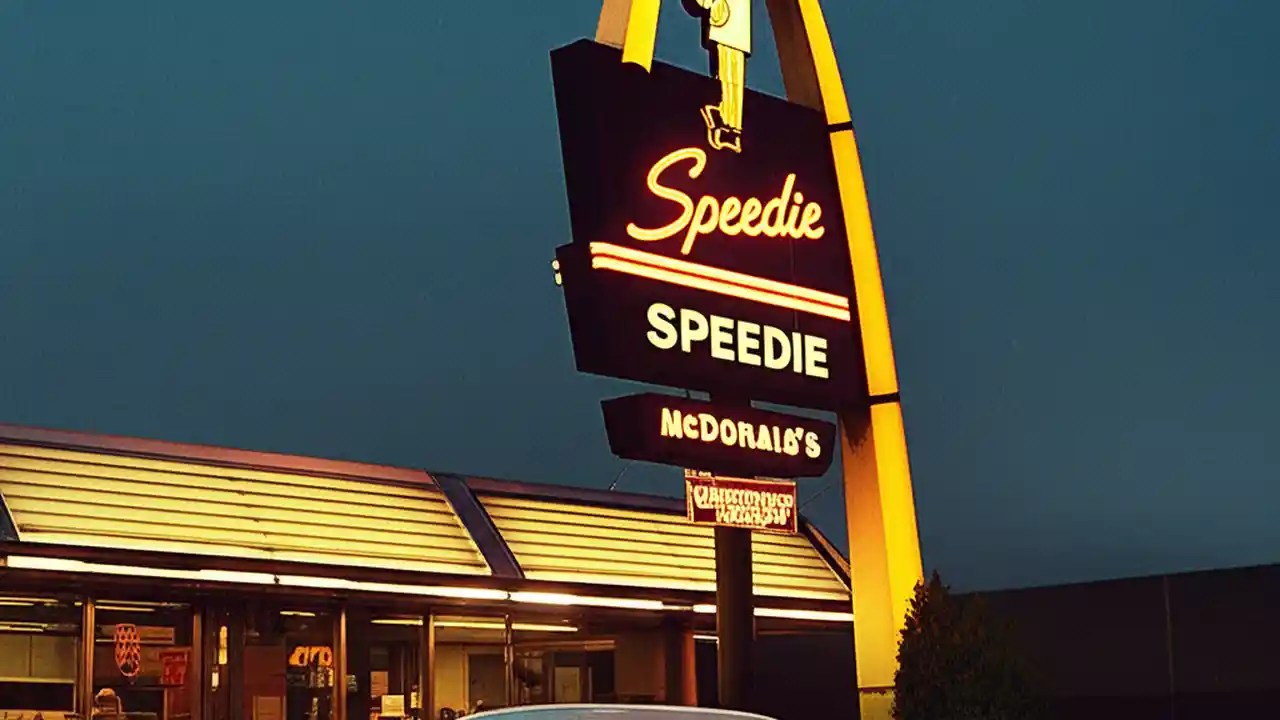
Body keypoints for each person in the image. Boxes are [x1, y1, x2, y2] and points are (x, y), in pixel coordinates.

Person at [690, 0, 751, 153]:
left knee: (731, 75)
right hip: (725, 27)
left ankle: (731, 125)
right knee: (727, 74)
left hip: (731, 27)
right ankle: (728, 122)